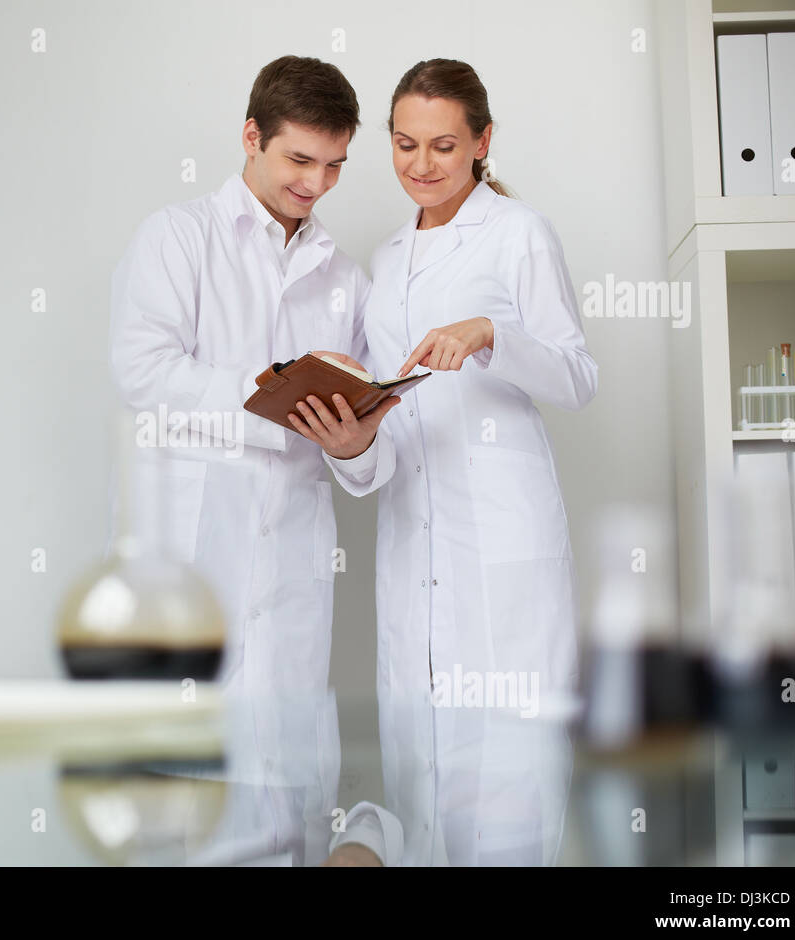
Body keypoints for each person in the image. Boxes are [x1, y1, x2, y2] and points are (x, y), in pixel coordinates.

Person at [291, 58, 598, 865]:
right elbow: (386, 422)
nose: (421, 165)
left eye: (443, 145)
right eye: (403, 144)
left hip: (502, 540)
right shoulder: (385, 261)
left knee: (506, 777)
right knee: (421, 764)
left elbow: (577, 376)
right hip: (412, 542)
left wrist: (492, 336)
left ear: (482, 142)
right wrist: (350, 446)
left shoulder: (518, 232)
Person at [109, 55, 399, 865]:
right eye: (299, 160)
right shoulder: (178, 237)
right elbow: (144, 374)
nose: (317, 183)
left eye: (335, 165)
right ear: (250, 136)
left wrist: (357, 443)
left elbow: (364, 439)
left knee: (290, 810)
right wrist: (273, 404)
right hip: (189, 576)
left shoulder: (344, 279)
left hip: (294, 581)